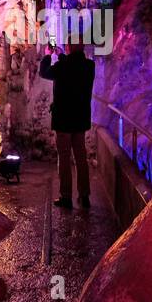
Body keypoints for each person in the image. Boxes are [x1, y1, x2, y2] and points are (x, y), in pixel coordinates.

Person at [39, 42, 95, 208]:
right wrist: (63, 56)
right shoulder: (89, 66)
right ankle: (84, 195)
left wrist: (48, 55)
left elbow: (44, 72)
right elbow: (74, 67)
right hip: (80, 120)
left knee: (64, 158)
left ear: (69, 48)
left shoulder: (62, 66)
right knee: (81, 158)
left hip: (64, 120)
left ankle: (66, 196)